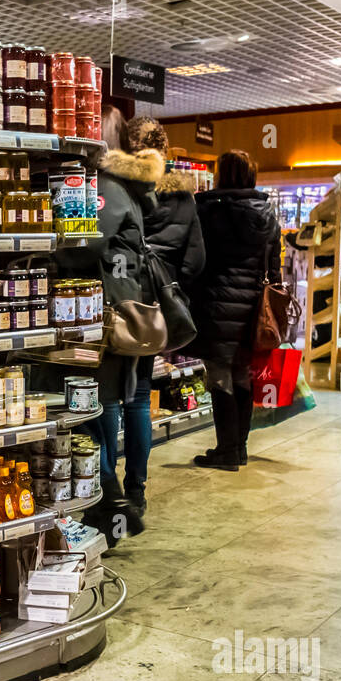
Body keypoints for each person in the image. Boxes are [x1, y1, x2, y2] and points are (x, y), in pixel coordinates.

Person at [56, 106, 163, 536]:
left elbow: (82, 247)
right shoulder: (125, 187)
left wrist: (50, 248)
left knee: (90, 412)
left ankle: (111, 501)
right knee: (108, 408)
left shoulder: (105, 188)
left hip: (101, 318)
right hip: (115, 314)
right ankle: (117, 496)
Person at [123, 117, 206, 513]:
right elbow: (196, 260)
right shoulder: (184, 197)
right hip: (155, 309)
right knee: (139, 397)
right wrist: (168, 284)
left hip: (119, 302)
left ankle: (100, 481)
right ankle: (136, 489)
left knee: (104, 396)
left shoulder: (122, 186)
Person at [185, 149, 280, 470]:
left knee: (219, 379)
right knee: (242, 376)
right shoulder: (267, 215)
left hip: (215, 306)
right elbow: (275, 270)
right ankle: (238, 448)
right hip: (253, 309)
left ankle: (226, 451)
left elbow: (196, 262)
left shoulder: (209, 211)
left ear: (221, 176)